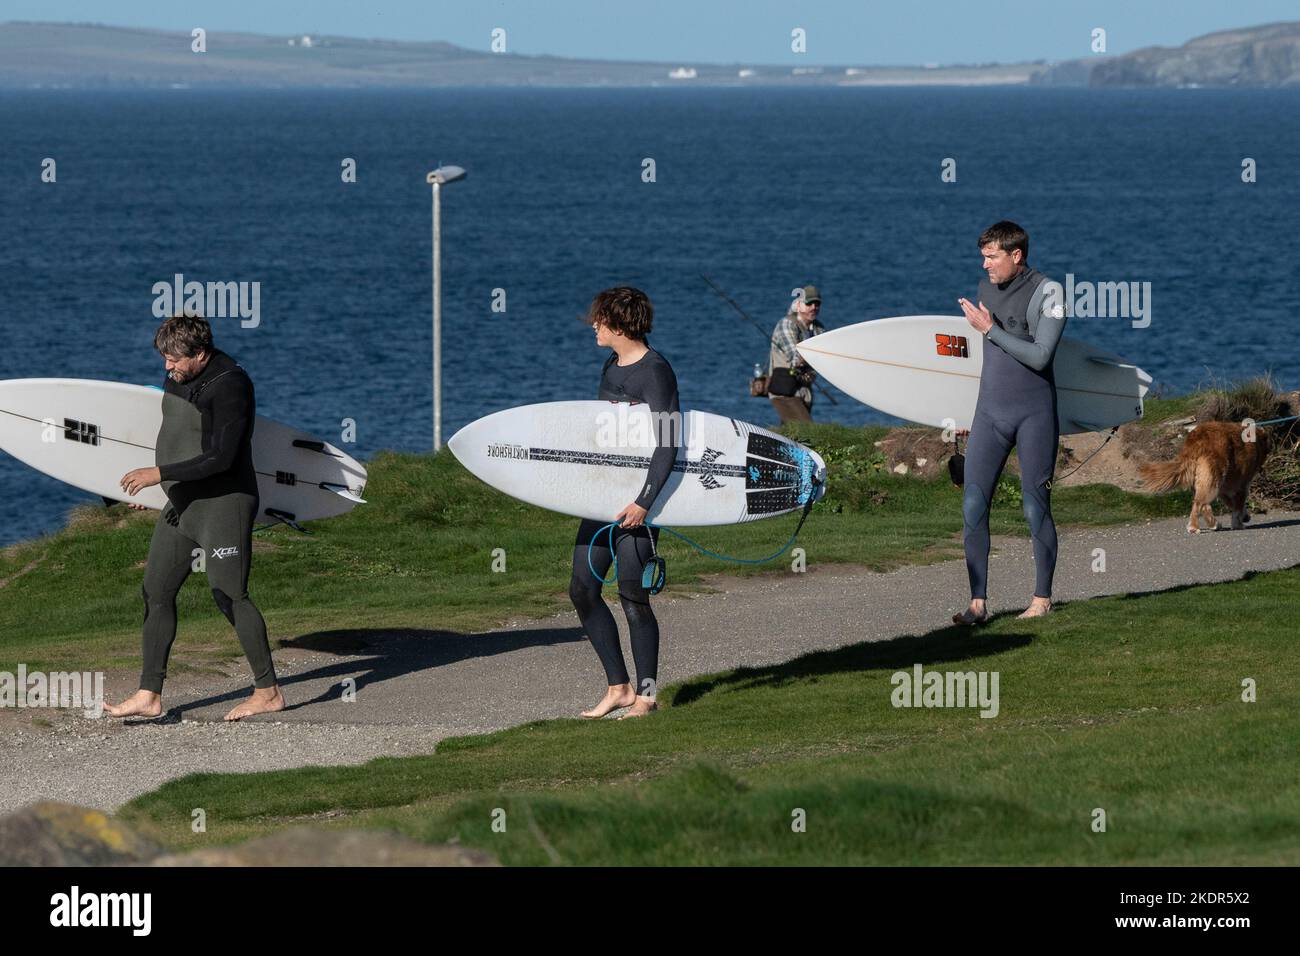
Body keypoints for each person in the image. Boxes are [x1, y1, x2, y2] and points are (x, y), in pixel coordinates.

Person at [104, 315, 284, 721]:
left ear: (200, 354)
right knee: (155, 590)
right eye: (164, 358)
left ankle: (268, 691)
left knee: (228, 593)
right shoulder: (181, 376)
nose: (168, 367)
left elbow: (222, 458)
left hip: (224, 502)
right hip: (183, 502)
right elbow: (179, 437)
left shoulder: (232, 385)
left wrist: (160, 474)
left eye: (174, 359)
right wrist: (159, 484)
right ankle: (149, 694)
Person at [569, 287, 680, 719]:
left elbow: (667, 444)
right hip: (602, 500)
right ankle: (619, 687)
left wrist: (644, 503)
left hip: (638, 504)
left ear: (618, 324)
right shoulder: (611, 364)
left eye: (599, 320)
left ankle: (648, 695)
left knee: (633, 594)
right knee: (582, 589)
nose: (593, 326)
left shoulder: (656, 372)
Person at [953, 221, 1067, 624]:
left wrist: (990, 331)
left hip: (1034, 415)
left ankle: (1042, 598)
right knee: (972, 503)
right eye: (982, 256)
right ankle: (977, 603)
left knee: (1035, 506)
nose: (984, 264)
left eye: (992, 256)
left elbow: (1040, 357)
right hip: (989, 413)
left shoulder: (1050, 292)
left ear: (1016, 255)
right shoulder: (986, 289)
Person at [768, 285, 825, 423]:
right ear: (798, 305)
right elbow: (795, 360)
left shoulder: (819, 328)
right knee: (806, 431)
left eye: (817, 303)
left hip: (805, 392)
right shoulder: (787, 324)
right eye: (809, 303)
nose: (813, 307)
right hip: (784, 391)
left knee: (790, 436)